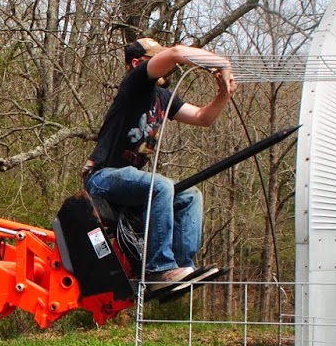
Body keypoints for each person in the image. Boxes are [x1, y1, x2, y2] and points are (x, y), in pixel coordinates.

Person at [83, 36, 236, 288]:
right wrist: (221, 62)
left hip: (130, 181)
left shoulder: (163, 97)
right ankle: (159, 269)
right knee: (161, 185)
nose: (169, 68)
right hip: (102, 177)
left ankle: (181, 267)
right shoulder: (135, 84)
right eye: (154, 59)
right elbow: (176, 53)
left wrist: (223, 94)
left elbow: (202, 117)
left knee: (189, 195)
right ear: (137, 63)